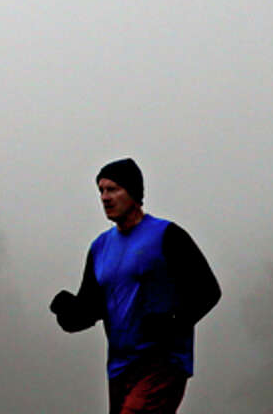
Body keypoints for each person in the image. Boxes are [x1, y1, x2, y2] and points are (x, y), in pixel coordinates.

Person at [50, 158, 221, 414]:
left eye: (113, 189)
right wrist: (68, 312)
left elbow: (208, 290)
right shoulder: (100, 247)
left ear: (134, 193)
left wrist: (173, 322)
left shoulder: (167, 235)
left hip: (162, 361)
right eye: (101, 191)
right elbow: (92, 308)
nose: (105, 197)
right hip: (120, 367)